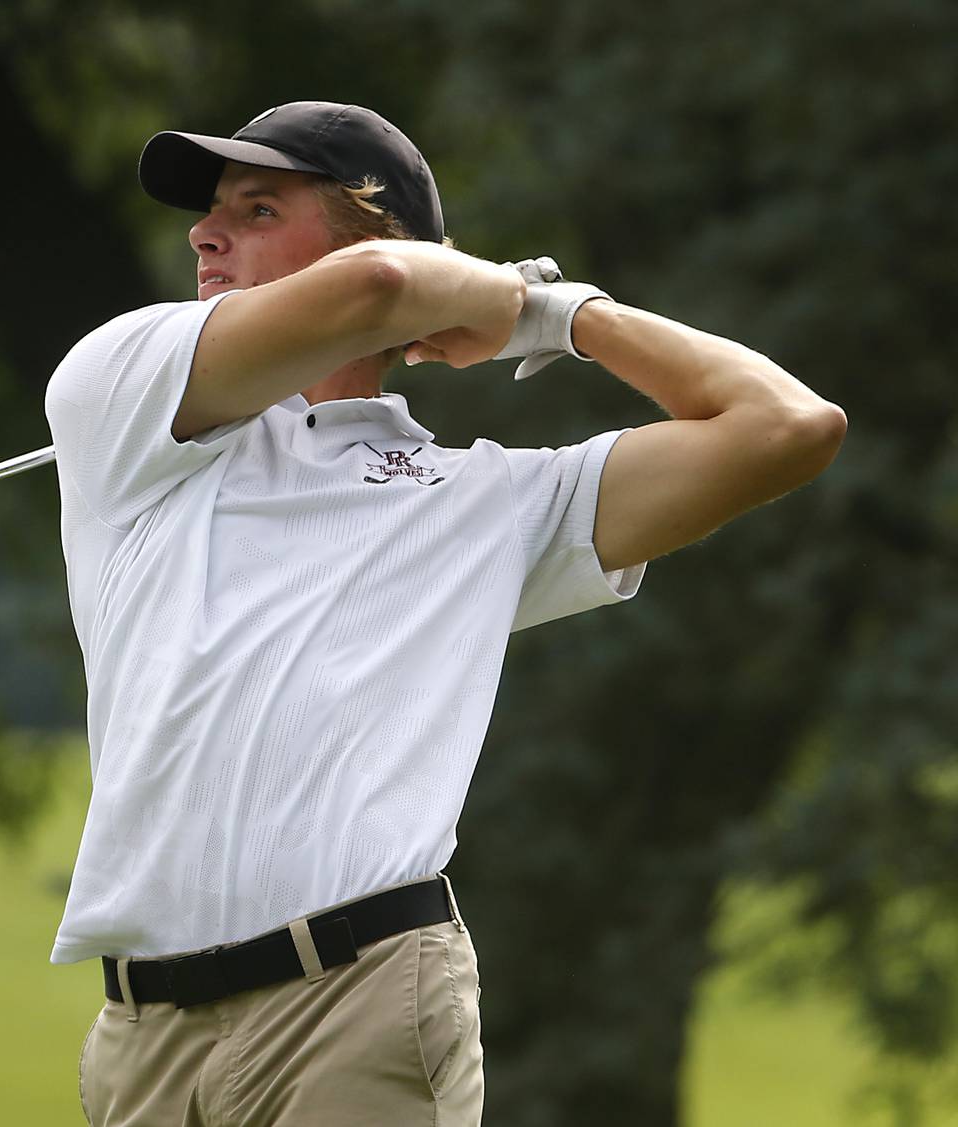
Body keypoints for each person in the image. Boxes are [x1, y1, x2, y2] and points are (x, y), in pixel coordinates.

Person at [43, 101, 845, 1126]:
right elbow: (381, 286)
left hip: (361, 994)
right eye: (211, 213)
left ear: (375, 236)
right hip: (144, 1041)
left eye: (256, 209)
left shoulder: (486, 499)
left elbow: (787, 426)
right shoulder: (122, 391)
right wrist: (494, 291)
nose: (206, 234)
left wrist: (569, 317)